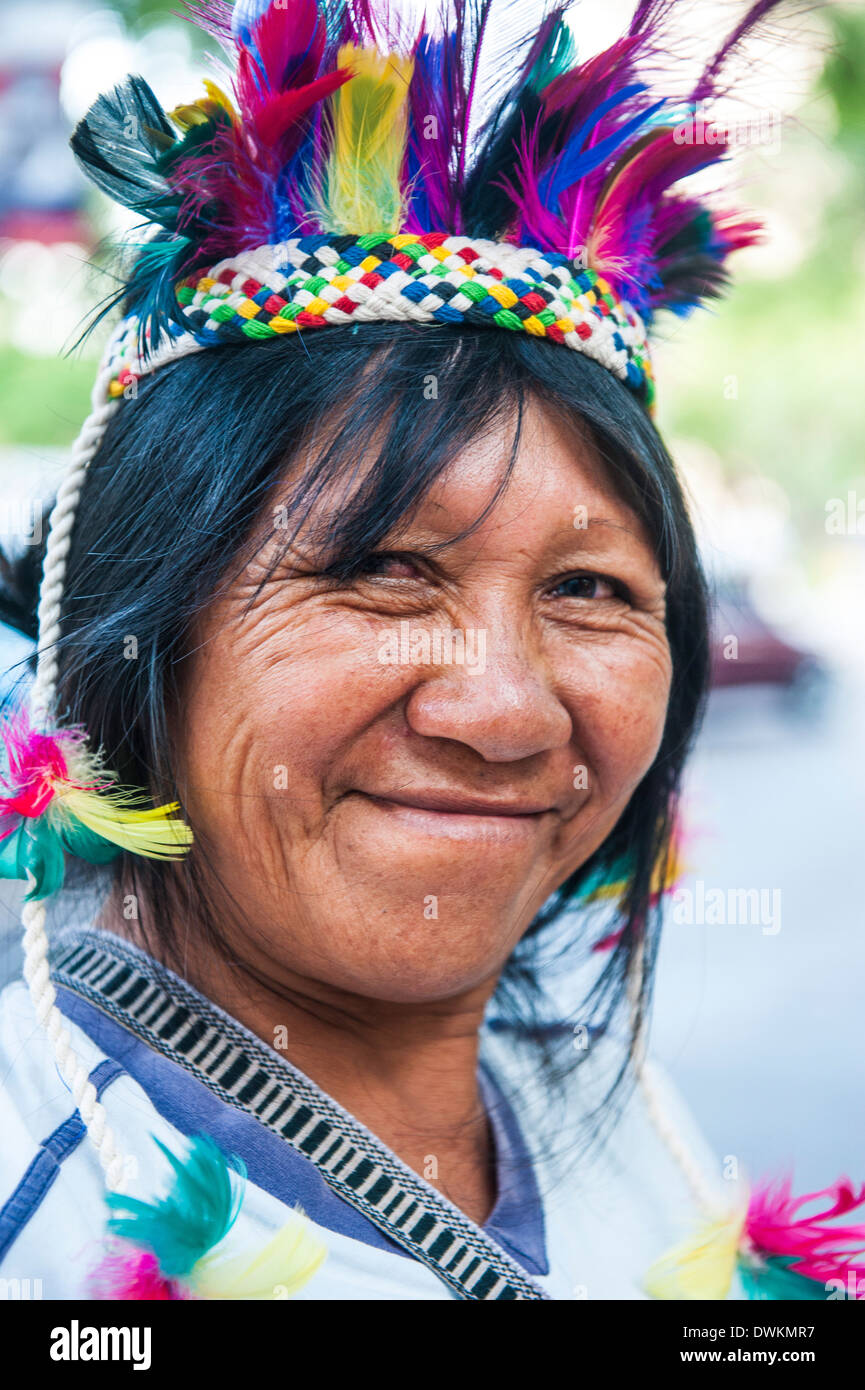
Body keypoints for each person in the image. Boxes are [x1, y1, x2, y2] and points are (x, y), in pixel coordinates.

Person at [0, 0, 861, 1301]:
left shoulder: (600, 1096)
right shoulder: (44, 1208)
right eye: (382, 571)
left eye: (588, 588)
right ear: (134, 632)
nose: (507, 709)